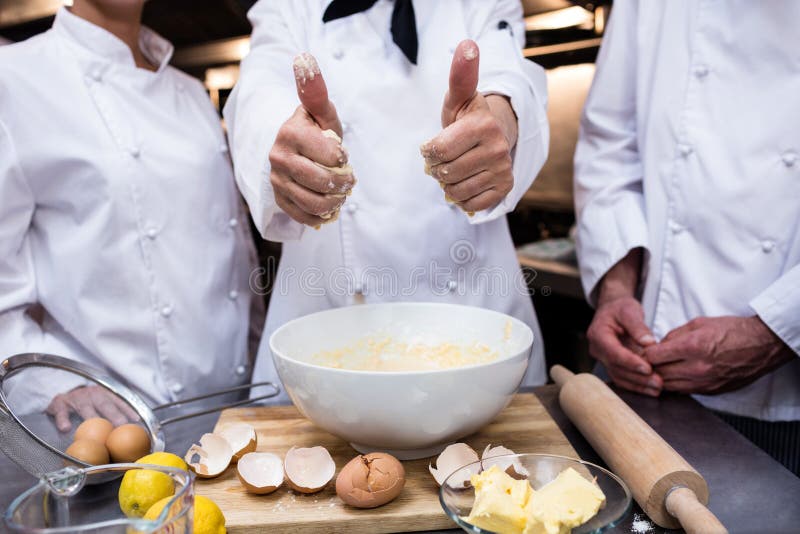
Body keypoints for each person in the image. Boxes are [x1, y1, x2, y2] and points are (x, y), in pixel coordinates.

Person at [224, 0, 549, 399]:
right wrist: (288, 148)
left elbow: (507, 75)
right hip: (324, 343)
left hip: (479, 331)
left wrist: (498, 123)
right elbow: (260, 91)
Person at [0, 0, 258, 430]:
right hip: (109, 429)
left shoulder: (191, 93)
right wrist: (51, 385)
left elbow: (236, 256)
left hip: (234, 414)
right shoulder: (14, 78)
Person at [574, 0, 800, 473]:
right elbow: (610, 145)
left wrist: (777, 330)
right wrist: (616, 291)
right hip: (637, 379)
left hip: (785, 407)